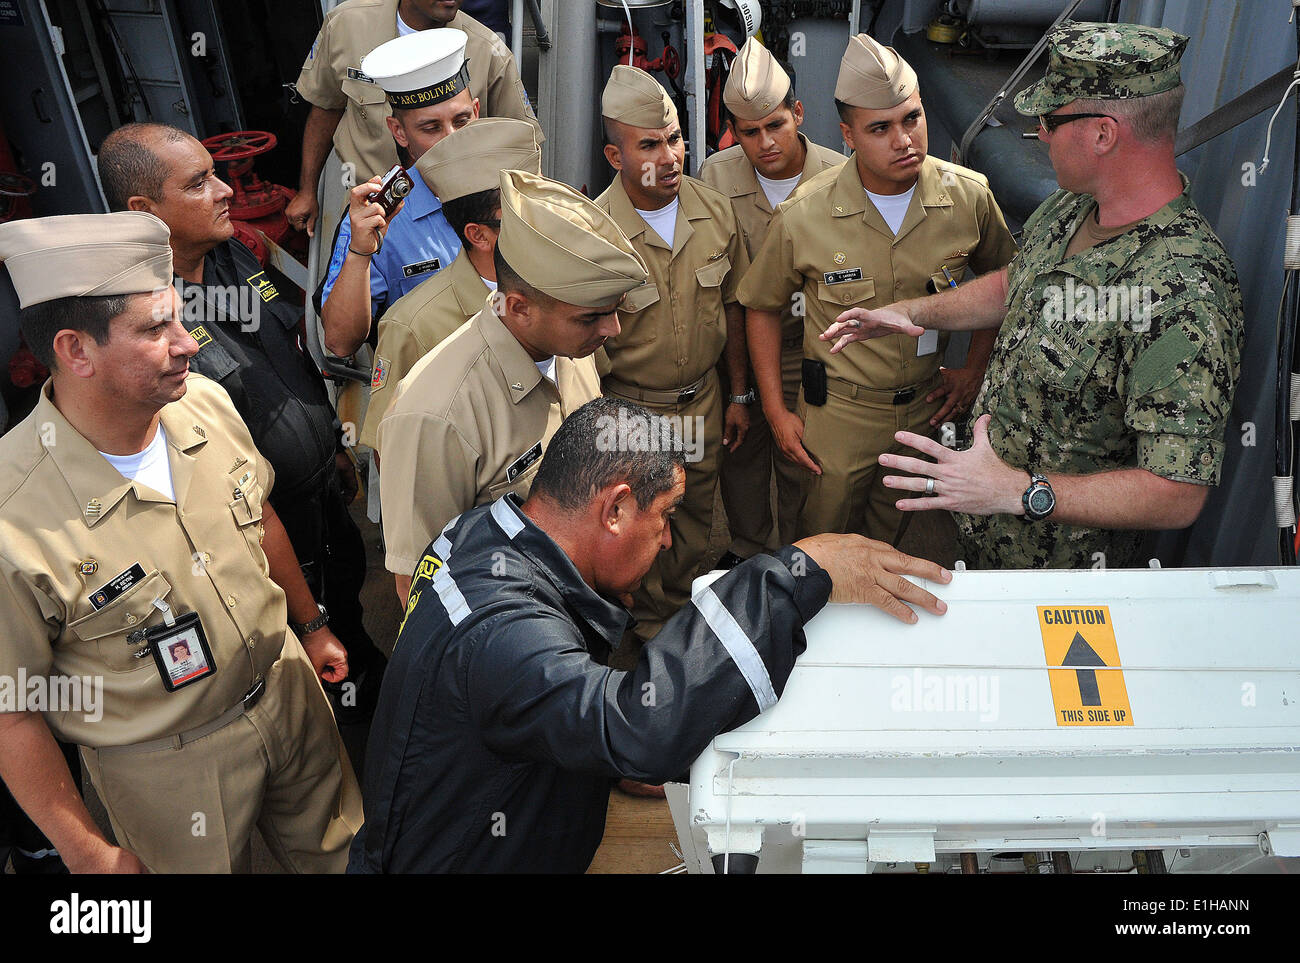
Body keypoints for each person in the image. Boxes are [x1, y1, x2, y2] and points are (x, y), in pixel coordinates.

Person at [349, 396, 952, 872]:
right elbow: (639, 726)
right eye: (664, 516)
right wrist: (790, 575)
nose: (667, 541)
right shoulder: (505, 635)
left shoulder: (477, 534)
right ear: (614, 510)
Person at [0, 212, 362, 873]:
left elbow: (262, 519)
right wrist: (87, 852)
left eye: (179, 316)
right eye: (154, 328)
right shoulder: (13, 519)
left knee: (340, 858)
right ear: (75, 349)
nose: (188, 342)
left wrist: (310, 625)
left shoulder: (202, 403)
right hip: (168, 769)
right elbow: (12, 713)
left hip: (288, 697)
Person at [822, 22, 1243, 571]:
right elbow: (1014, 286)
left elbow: (1176, 491)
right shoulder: (1071, 208)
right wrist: (909, 312)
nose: (1038, 134)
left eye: (1049, 119)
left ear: (1102, 134)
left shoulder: (1186, 292)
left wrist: (1019, 493)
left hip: (1061, 576)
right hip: (982, 537)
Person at [97, 123, 388, 720]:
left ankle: (365, 689)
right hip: (259, 530)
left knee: (346, 613)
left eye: (216, 174)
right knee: (288, 652)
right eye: (200, 183)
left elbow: (293, 355)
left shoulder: (231, 253)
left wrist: (332, 448)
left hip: (323, 499)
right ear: (142, 211)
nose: (226, 190)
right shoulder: (138, 319)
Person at [740, 33, 1017, 546]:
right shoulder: (805, 214)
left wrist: (973, 370)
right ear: (848, 134)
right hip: (837, 418)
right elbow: (760, 306)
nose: (903, 139)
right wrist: (777, 412)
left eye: (912, 118)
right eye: (880, 128)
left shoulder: (968, 198)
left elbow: (1005, 288)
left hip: (923, 411)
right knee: (821, 549)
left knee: (891, 538)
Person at [377, 170, 646, 605]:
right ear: (519, 308)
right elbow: (420, 588)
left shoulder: (567, 346)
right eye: (591, 317)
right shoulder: (435, 414)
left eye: (614, 312)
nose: (612, 329)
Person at [596, 64, 751, 645]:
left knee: (689, 522)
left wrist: (737, 394)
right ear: (615, 157)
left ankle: (679, 617)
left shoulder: (714, 212)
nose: (670, 156)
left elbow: (734, 308)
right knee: (636, 530)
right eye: (649, 145)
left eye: (676, 139)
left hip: (702, 407)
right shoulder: (595, 232)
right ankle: (643, 631)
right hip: (631, 415)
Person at [699, 37, 846, 561]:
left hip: (808, 351)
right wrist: (739, 389)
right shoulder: (715, 178)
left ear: (798, 114)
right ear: (733, 132)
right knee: (740, 457)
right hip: (737, 348)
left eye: (775, 126)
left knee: (800, 458)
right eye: (749, 132)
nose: (764, 143)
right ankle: (745, 553)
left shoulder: (838, 178)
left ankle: (792, 559)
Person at [360, 117, 541, 452]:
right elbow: (394, 454)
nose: (543, 226)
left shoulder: (561, 286)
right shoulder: (413, 326)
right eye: (523, 216)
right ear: (479, 235)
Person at [289, 0, 541, 236]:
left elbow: (523, 145)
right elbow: (326, 107)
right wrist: (307, 190)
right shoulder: (347, 26)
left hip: (456, 220)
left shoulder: (488, 50)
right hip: (370, 212)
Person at [318, 29, 478, 359]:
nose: (451, 140)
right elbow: (339, 342)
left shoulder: (514, 189)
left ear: (477, 112)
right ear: (399, 132)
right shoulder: (375, 216)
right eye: (431, 128)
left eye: (462, 121)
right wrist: (361, 253)